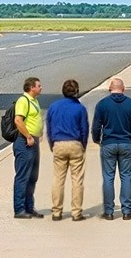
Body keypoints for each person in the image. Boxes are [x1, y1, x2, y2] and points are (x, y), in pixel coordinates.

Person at [92, 77, 131, 220]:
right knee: (126, 176)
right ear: (123, 89)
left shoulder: (102, 104)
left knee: (108, 177)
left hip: (108, 143)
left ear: (109, 89)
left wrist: (97, 139)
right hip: (125, 142)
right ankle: (126, 210)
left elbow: (96, 126)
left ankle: (109, 211)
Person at [46, 78, 89, 221]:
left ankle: (56, 211)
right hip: (75, 143)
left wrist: (52, 143)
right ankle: (76, 212)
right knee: (77, 180)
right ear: (76, 91)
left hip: (58, 142)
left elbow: (49, 127)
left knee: (58, 178)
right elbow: (84, 128)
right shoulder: (80, 108)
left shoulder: (54, 107)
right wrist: (83, 144)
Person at [12, 76, 43, 219]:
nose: (41, 88)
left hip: (34, 141)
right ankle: (19, 209)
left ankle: (29, 207)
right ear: (32, 88)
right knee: (23, 176)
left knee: (33, 176)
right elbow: (18, 120)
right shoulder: (23, 101)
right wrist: (28, 136)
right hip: (25, 142)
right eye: (39, 86)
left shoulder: (34, 101)